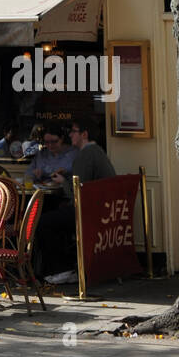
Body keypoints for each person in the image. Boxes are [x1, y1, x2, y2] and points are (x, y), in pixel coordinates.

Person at [36, 118, 116, 284]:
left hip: (89, 212)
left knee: (43, 222)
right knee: (57, 214)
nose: (70, 135)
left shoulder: (85, 155)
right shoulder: (97, 151)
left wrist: (62, 182)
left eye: (73, 131)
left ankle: (61, 269)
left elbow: (78, 193)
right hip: (102, 210)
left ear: (84, 134)